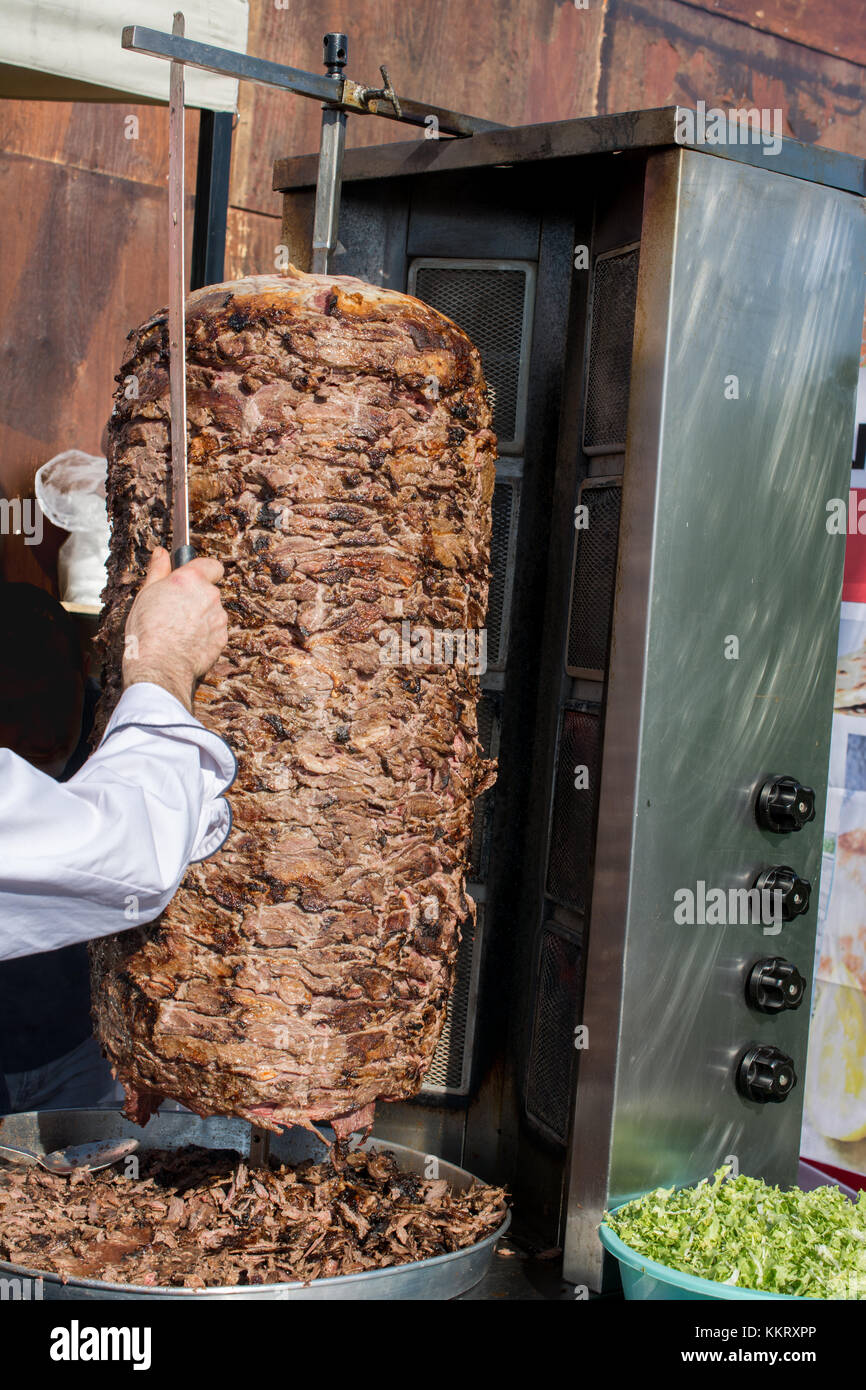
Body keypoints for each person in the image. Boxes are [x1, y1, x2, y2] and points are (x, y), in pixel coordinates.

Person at [0, 547, 234, 964]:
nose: (38, 729)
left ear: (82, 671)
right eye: (13, 709)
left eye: (50, 696)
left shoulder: (94, 717)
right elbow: (129, 858)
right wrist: (161, 667)